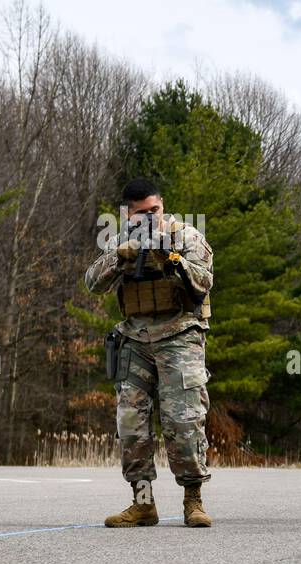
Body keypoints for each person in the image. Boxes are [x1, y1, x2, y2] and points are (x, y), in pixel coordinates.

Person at [84, 178, 214, 528]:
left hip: (179, 336)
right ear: (127, 215)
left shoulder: (186, 236)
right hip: (137, 340)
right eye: (141, 214)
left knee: (183, 421)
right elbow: (93, 283)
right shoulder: (120, 242)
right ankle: (143, 504)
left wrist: (174, 261)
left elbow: (204, 282)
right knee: (130, 424)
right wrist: (120, 257)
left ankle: (193, 501)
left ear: (163, 206)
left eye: (154, 211)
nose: (149, 218)